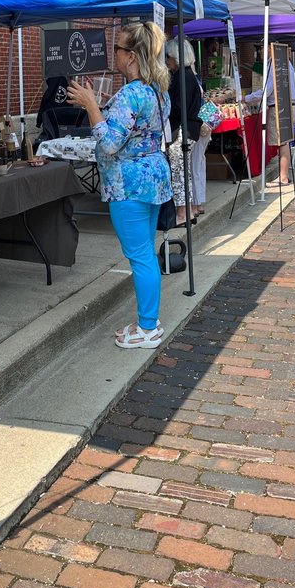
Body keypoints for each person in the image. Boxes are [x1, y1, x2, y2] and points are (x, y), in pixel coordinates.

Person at [67, 22, 171, 350]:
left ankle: (147, 328)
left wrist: (92, 106)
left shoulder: (131, 93)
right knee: (145, 255)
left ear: (130, 56)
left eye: (117, 49)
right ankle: (149, 322)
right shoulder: (156, 89)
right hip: (152, 179)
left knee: (140, 256)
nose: (114, 55)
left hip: (129, 185)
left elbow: (111, 143)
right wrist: (101, 108)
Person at [164, 39, 202, 224]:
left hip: (182, 130)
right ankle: (188, 211)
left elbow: (178, 107)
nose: (166, 61)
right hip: (189, 129)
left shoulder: (182, 77)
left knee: (179, 172)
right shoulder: (189, 75)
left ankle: (182, 213)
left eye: (168, 57)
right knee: (183, 171)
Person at [264, 54, 295, 188]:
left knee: (282, 142)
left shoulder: (275, 64)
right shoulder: (286, 63)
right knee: (284, 141)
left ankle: (283, 177)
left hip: (279, 106)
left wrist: (248, 98)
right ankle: (284, 175)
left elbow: (268, 89)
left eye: (261, 48)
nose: (260, 52)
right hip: (287, 104)